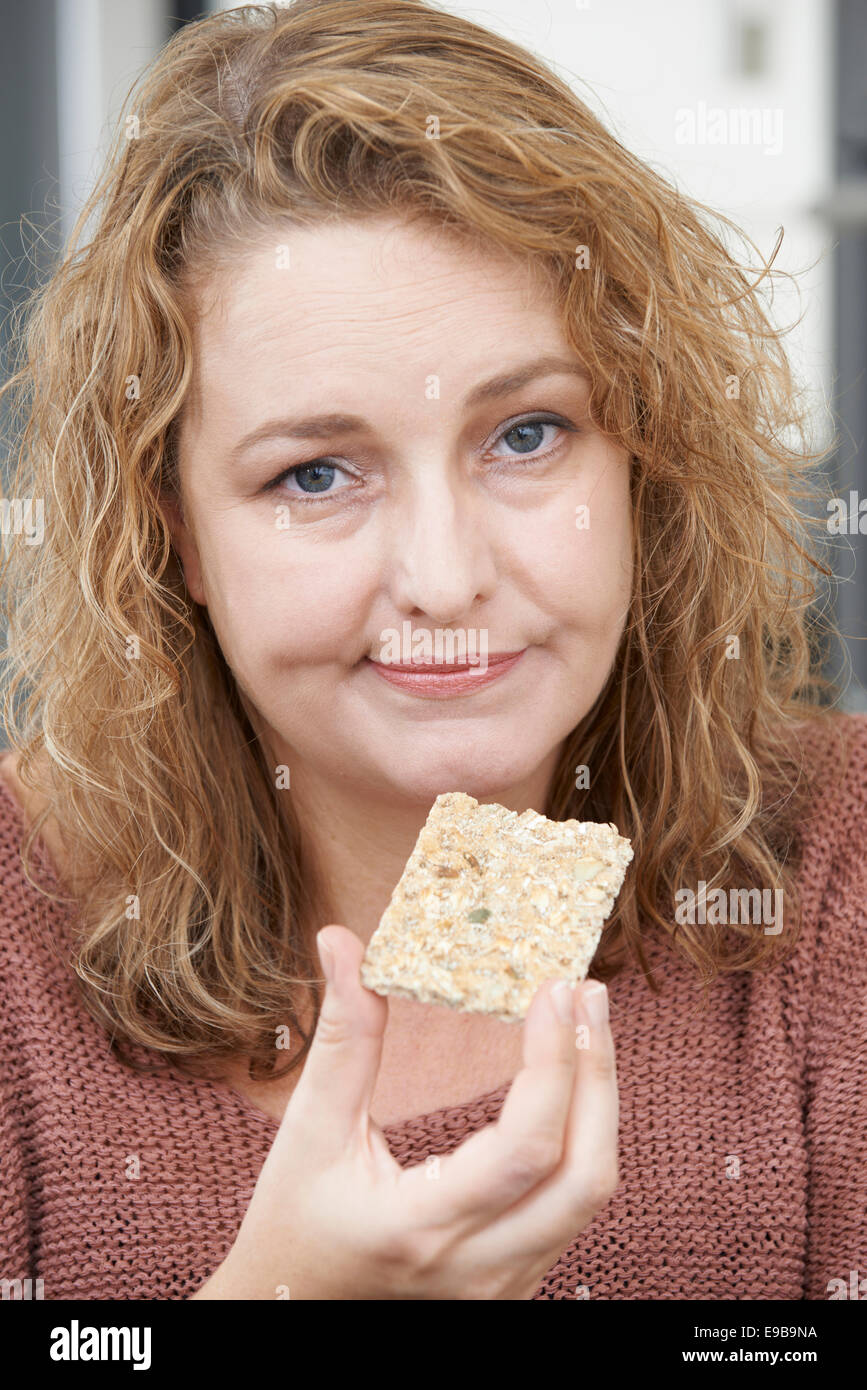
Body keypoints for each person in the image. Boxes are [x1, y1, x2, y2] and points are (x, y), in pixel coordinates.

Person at [0, 0, 863, 1301]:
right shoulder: (18, 933)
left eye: (525, 435)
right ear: (172, 530)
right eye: (318, 473)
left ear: (645, 453)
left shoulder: (837, 867)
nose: (448, 574)